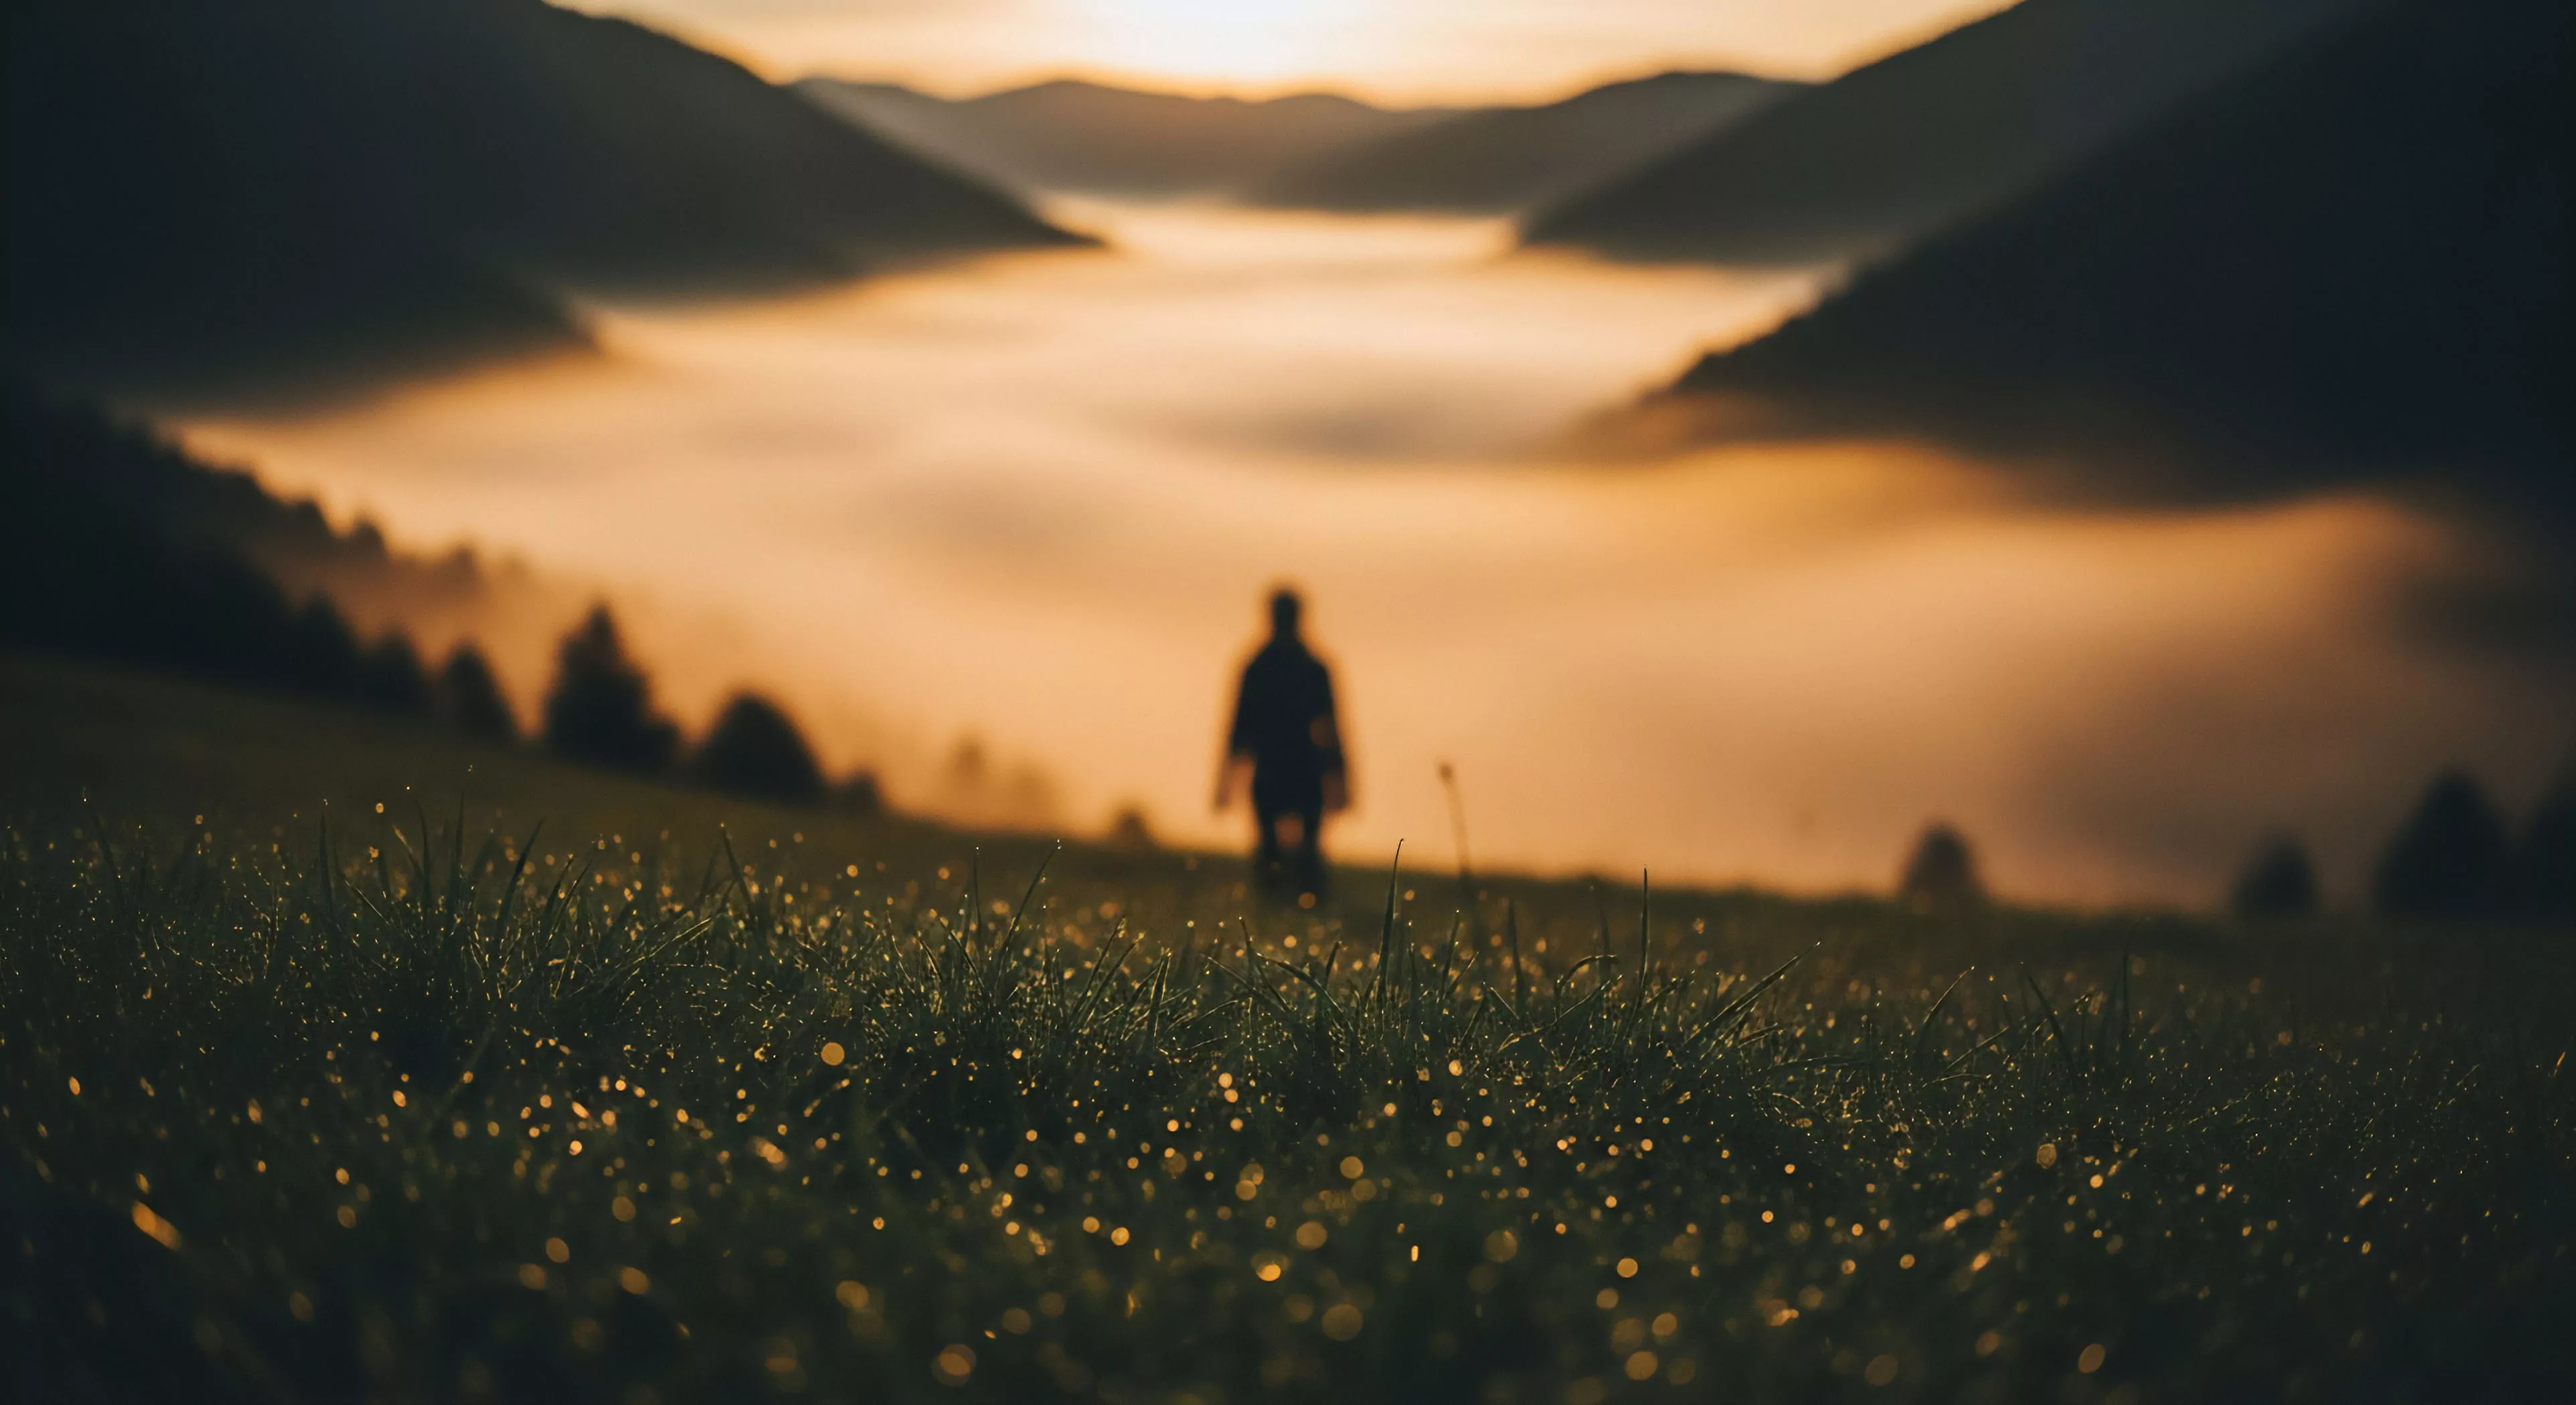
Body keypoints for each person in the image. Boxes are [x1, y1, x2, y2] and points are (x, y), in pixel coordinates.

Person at [1215, 587, 1348, 901]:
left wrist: (1226, 781)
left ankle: (1278, 905)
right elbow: (1332, 728)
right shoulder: (1312, 667)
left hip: (1276, 769)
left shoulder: (1259, 666)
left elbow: (1238, 728)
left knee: (1278, 850)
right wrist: (1340, 778)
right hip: (1301, 767)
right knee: (1302, 851)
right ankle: (1301, 904)